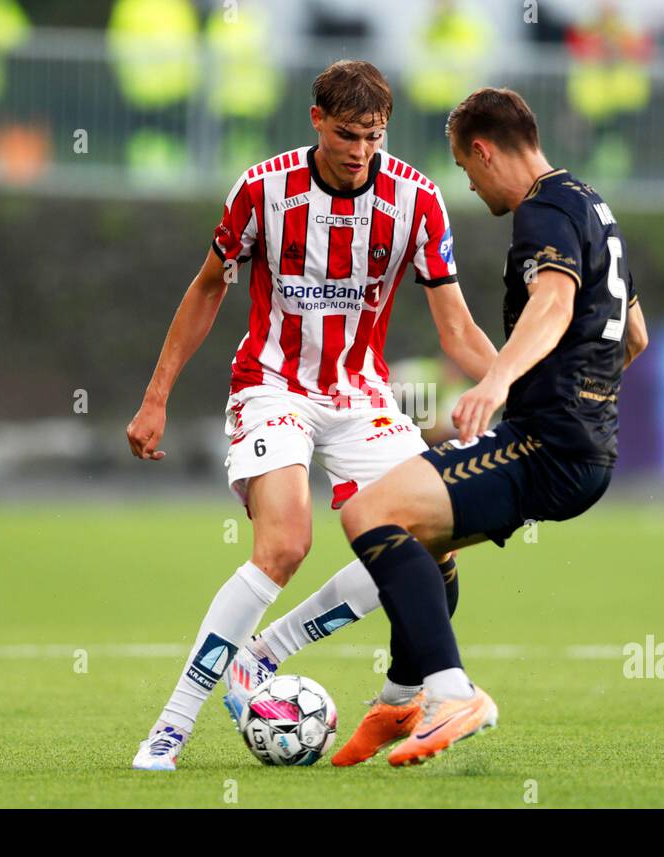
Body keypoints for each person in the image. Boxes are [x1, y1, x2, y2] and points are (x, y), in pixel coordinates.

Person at [124, 60, 497, 771]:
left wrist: (517, 382)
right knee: (286, 543)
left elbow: (456, 329)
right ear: (317, 120)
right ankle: (170, 727)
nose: (362, 151)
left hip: (361, 395)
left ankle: (273, 659)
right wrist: (156, 395)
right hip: (273, 384)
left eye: (376, 137)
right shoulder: (263, 190)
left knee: (433, 543)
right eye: (350, 134)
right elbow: (208, 289)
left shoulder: (416, 199)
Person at [331, 87, 649, 767]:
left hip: (549, 442)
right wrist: (584, 392)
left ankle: (452, 691)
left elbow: (556, 299)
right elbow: (636, 337)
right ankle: (397, 699)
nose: (470, 186)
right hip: (586, 446)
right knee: (422, 539)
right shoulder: (592, 204)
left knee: (367, 514)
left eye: (466, 169)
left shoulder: (541, 210)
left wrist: (501, 381)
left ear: (483, 148)